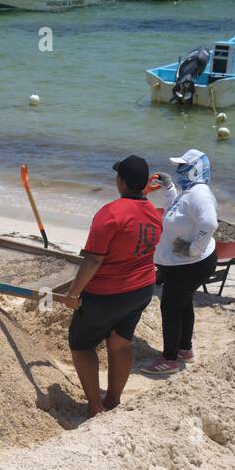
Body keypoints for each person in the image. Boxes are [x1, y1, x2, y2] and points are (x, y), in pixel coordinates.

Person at [62, 156, 162, 417]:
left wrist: (73, 293)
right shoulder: (154, 212)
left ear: (121, 182)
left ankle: (95, 407)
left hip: (107, 293)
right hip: (141, 288)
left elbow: (94, 258)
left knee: (81, 344)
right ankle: (113, 400)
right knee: (120, 342)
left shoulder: (111, 213)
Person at [146, 148, 218, 375]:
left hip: (189, 265)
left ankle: (169, 359)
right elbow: (176, 210)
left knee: (170, 307)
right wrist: (169, 188)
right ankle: (184, 349)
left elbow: (209, 224)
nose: (178, 171)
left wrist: (193, 250)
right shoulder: (190, 192)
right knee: (183, 303)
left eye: (183, 167)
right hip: (184, 265)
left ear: (196, 169)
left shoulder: (200, 194)